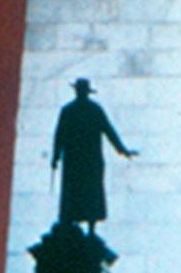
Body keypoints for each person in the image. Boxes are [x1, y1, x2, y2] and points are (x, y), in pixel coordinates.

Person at [52, 79, 137, 231]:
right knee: (87, 193)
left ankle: (82, 226)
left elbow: (60, 136)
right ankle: (85, 227)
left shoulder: (71, 110)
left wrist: (56, 156)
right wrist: (55, 156)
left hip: (80, 160)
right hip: (84, 160)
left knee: (83, 192)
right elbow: (60, 136)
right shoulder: (91, 110)